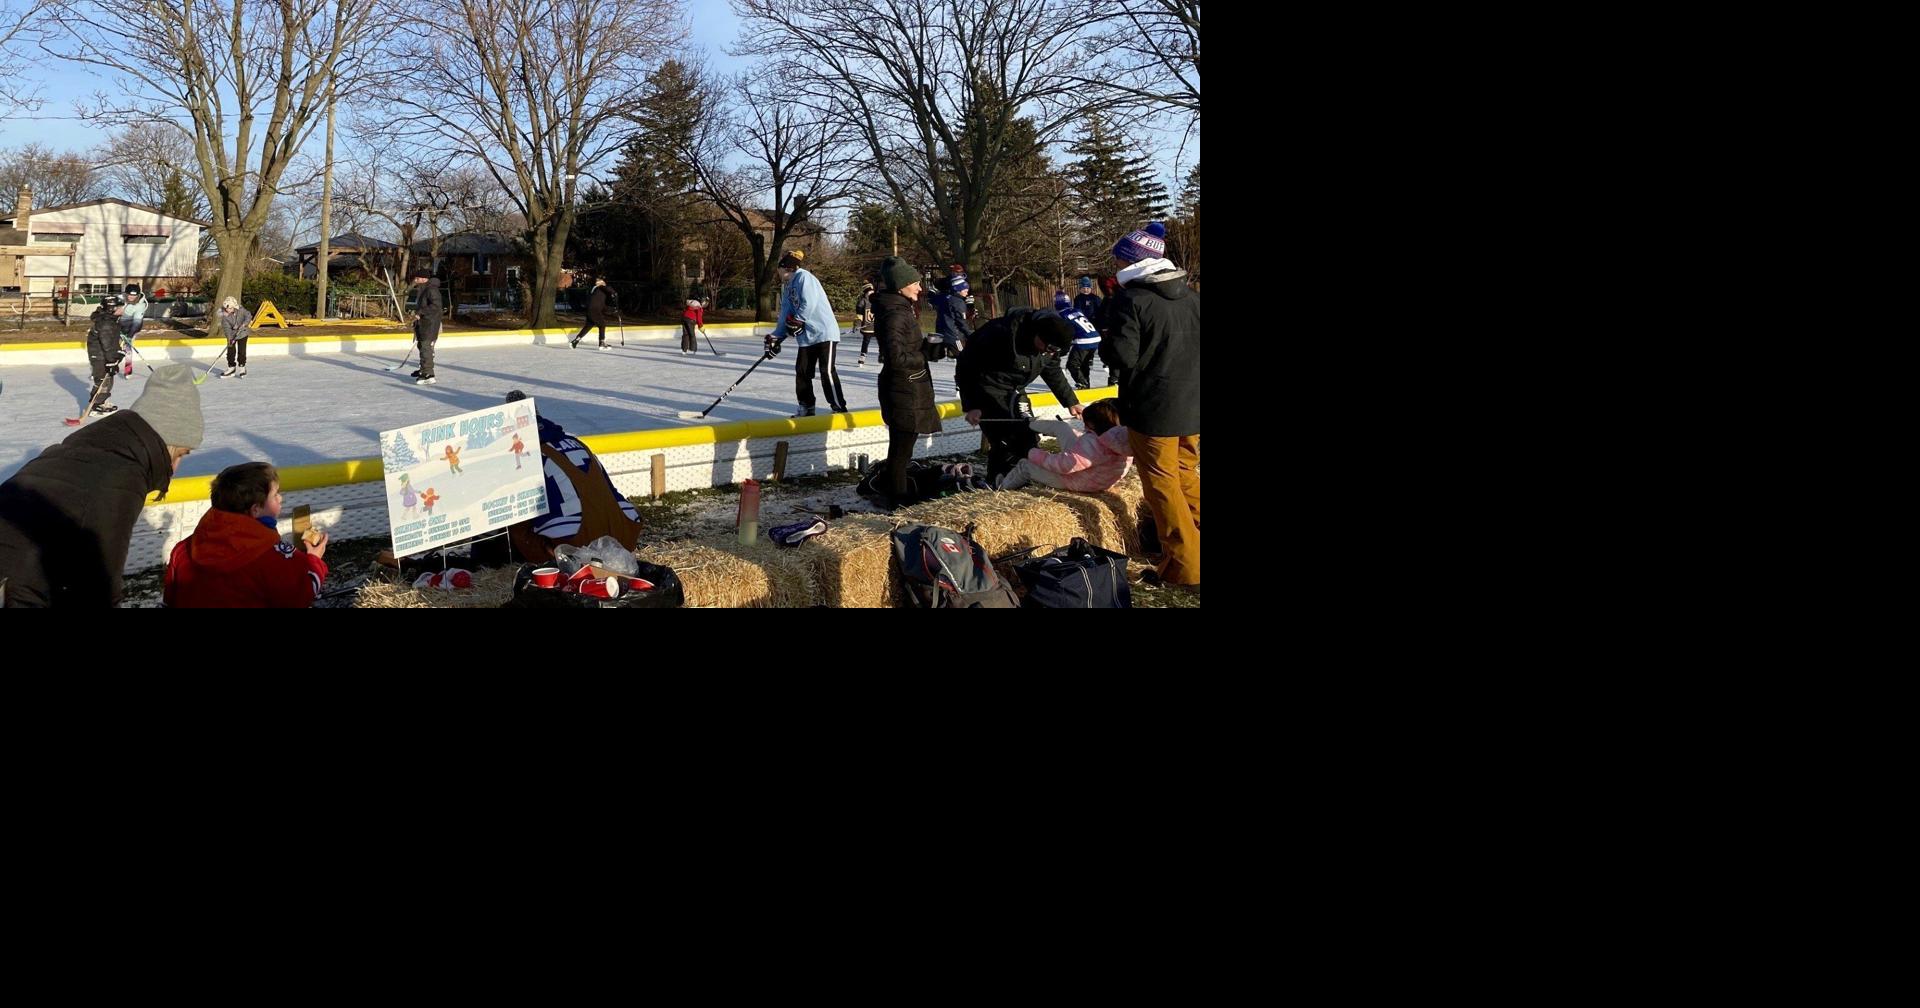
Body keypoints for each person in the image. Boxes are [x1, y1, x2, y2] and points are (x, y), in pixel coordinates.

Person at [0, 363, 204, 607]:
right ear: (166, 445)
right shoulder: (121, 480)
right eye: (180, 454)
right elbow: (99, 588)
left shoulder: (80, 448)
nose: (176, 467)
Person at [1107, 220, 1200, 588]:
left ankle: (1186, 565)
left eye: (1119, 259)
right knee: (1185, 474)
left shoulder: (1131, 300)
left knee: (1162, 485)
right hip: (1193, 405)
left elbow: (1122, 357)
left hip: (1153, 409)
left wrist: (1108, 339)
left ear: (1132, 261)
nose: (1115, 265)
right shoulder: (1192, 297)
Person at [467, 390, 644, 566]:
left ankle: (488, 562)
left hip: (571, 545)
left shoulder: (523, 454)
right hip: (623, 536)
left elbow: (509, 507)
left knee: (509, 512)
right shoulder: (577, 443)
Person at [162, 461, 330, 608]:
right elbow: (299, 596)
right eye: (275, 495)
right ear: (255, 509)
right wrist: (313, 561)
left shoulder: (182, 549)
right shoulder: (269, 556)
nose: (280, 499)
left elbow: (170, 600)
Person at [955, 307, 1084, 484]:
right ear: (1038, 334)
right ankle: (998, 483)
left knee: (1028, 435)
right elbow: (966, 367)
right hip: (986, 389)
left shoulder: (1051, 344)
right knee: (1004, 440)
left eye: (1056, 351)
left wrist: (1070, 401)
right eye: (1049, 348)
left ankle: (1021, 481)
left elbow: (1052, 370)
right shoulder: (1000, 333)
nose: (1050, 353)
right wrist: (972, 405)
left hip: (1016, 389)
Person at [868, 256, 942, 508]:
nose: (920, 288)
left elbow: (904, 349)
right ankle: (897, 502)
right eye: (915, 283)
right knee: (901, 450)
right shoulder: (895, 314)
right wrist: (924, 355)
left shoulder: (899, 309)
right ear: (900, 286)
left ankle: (895, 495)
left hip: (907, 387)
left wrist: (929, 349)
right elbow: (896, 358)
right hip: (904, 389)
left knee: (902, 448)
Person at [769, 249, 848, 417]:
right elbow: (785, 313)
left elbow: (809, 302)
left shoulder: (804, 277)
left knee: (826, 370)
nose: (778, 273)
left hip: (824, 332)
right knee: (802, 371)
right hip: (806, 337)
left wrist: (798, 320)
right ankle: (806, 406)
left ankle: (839, 407)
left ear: (786, 268)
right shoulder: (787, 287)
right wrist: (776, 336)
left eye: (779, 269)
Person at [996, 398, 1131, 492]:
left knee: (1025, 466)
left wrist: (1032, 453)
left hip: (1076, 481)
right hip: (1097, 477)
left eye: (1086, 424)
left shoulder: (1092, 444)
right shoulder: (1124, 439)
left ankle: (1001, 488)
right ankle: (1028, 424)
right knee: (1062, 427)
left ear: (1093, 424)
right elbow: (1088, 447)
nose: (1085, 427)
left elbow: (1064, 466)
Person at [84, 295, 126, 411]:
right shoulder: (106, 323)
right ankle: (96, 406)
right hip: (100, 356)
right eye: (120, 307)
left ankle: (101, 402)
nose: (122, 309)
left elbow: (111, 341)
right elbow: (107, 344)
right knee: (103, 380)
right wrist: (112, 360)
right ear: (111, 308)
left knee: (107, 379)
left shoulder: (109, 320)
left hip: (103, 355)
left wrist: (116, 355)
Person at [409, 267, 442, 384]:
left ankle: (428, 374)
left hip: (430, 324)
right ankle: (423, 369)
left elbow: (436, 306)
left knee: (425, 348)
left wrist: (420, 312)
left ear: (423, 279)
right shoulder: (424, 289)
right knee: (421, 346)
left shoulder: (431, 290)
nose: (415, 280)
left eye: (417, 278)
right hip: (423, 323)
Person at [930, 275, 971, 359]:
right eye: (965, 291)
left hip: (941, 333)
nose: (967, 293)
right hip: (955, 336)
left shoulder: (944, 297)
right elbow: (961, 322)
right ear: (958, 290)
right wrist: (969, 334)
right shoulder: (958, 302)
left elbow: (932, 299)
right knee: (963, 356)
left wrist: (932, 291)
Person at [570, 277, 611, 350]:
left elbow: (601, 304)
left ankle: (575, 341)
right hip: (594, 311)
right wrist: (614, 293)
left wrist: (612, 310)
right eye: (603, 283)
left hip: (590, 310)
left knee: (588, 326)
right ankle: (601, 343)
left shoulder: (596, 291)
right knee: (602, 325)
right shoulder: (600, 288)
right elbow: (608, 289)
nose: (605, 284)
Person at [217, 295, 252, 378]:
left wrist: (244, 324)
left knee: (241, 351)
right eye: (226, 308)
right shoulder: (224, 316)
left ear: (234, 306)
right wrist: (230, 338)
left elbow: (248, 316)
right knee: (230, 351)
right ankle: (231, 367)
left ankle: (242, 366)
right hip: (232, 335)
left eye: (230, 308)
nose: (228, 310)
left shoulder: (241, 310)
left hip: (243, 333)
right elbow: (226, 328)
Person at [119, 289, 148, 379]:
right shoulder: (119, 299)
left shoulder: (140, 306)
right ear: (126, 294)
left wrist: (130, 336)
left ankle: (128, 370)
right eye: (130, 295)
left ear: (138, 295)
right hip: (117, 327)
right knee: (110, 347)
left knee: (127, 347)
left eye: (134, 295)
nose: (132, 297)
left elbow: (137, 323)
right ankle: (104, 368)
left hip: (131, 329)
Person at [854, 281, 876, 366]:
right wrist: (857, 325)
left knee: (882, 341)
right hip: (868, 327)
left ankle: (884, 355)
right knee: (866, 341)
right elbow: (859, 315)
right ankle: (863, 355)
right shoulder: (863, 301)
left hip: (876, 326)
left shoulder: (877, 300)